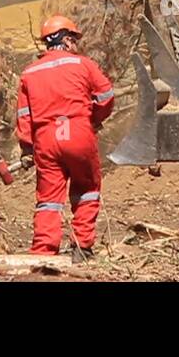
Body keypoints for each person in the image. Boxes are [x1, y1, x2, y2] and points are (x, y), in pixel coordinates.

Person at [15, 15, 114, 262]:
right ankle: (81, 247)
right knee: (87, 189)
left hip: (46, 141)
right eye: (75, 40)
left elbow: (24, 115)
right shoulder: (83, 64)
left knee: (48, 200)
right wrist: (94, 119)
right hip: (78, 133)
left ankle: (43, 254)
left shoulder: (29, 73)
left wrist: (27, 148)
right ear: (67, 41)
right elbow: (106, 96)